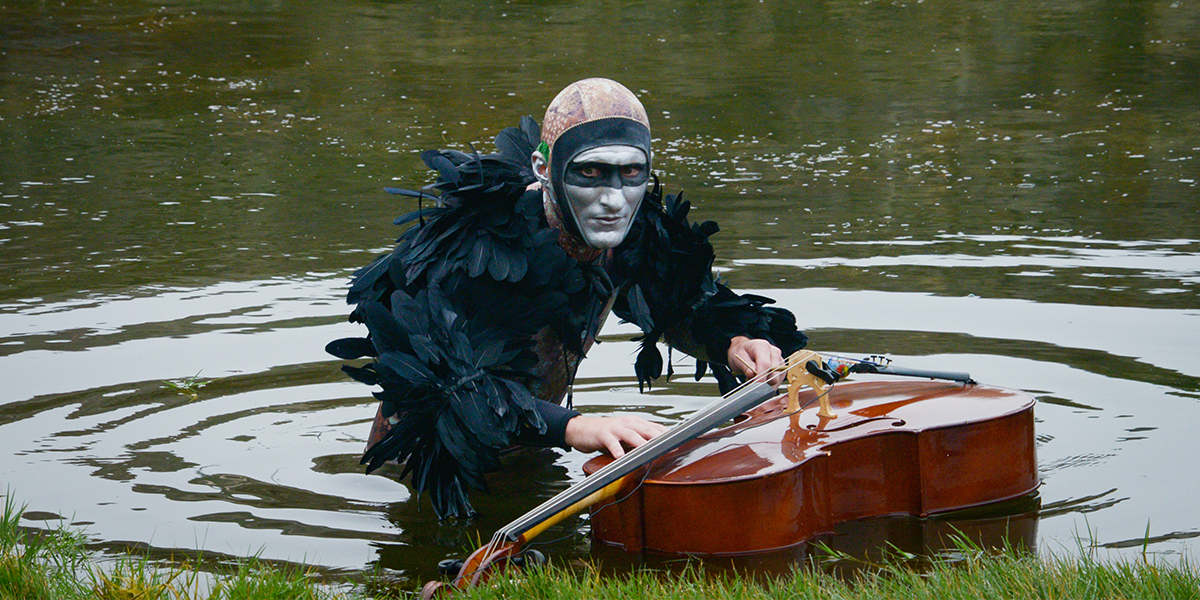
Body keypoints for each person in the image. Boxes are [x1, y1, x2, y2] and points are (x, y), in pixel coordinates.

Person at [326, 78, 807, 519]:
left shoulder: (630, 232)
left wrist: (733, 340)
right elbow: (454, 391)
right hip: (427, 469)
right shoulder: (476, 253)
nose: (614, 199)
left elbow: (681, 303)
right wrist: (580, 428)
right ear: (544, 168)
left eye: (631, 173)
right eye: (591, 173)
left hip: (534, 446)